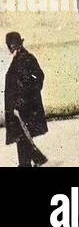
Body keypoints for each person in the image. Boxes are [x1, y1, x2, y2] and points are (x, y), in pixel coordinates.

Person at [4, 32, 48, 167]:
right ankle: (32, 161)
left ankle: (27, 163)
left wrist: (26, 95)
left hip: (25, 105)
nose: (10, 48)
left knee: (22, 134)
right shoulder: (19, 58)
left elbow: (39, 77)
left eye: (11, 45)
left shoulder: (26, 58)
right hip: (18, 106)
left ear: (17, 44)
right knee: (21, 135)